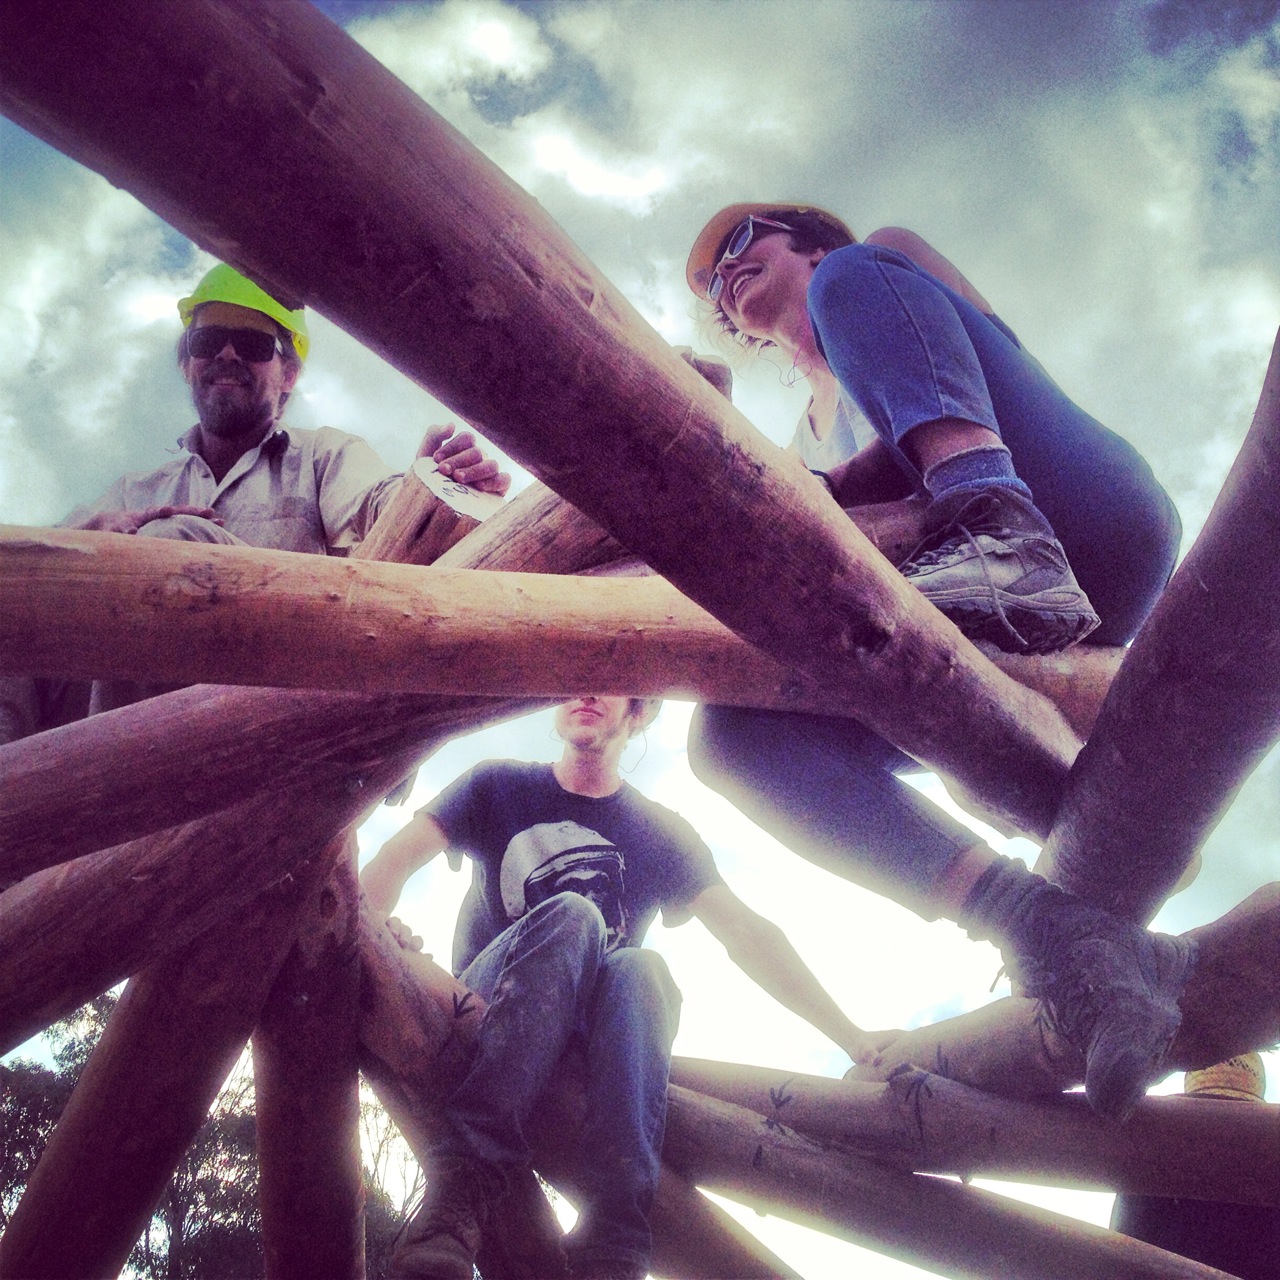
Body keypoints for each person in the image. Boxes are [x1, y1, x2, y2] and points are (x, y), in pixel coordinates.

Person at [682, 203, 1192, 1122]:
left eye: (734, 246)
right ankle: (1043, 931)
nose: (723, 277)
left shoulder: (877, 267)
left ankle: (997, 522)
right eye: (712, 286)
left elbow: (991, 362)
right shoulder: (799, 440)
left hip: (1075, 520)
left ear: (803, 232)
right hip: (952, 626)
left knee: (858, 281)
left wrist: (836, 494)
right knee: (728, 736)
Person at [361, 695, 890, 1280]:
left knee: (645, 971)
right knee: (576, 916)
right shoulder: (498, 784)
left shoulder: (657, 830)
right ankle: (462, 1187)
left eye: (607, 682)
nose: (584, 692)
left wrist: (850, 1036)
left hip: (597, 1036)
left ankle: (614, 1244)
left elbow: (745, 932)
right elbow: (397, 855)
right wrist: (368, 927)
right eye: (572, 682)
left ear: (637, 713)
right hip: (493, 1006)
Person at [0, 262, 509, 737]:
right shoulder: (137, 491)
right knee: (16, 590)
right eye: (209, 339)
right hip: (99, 716)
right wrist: (95, 545)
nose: (227, 354)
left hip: (262, 718)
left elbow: (375, 501)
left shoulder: (322, 457)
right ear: (187, 363)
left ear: (288, 375)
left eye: (252, 343)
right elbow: (41, 564)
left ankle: (127, 800)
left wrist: (431, 486)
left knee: (172, 548)